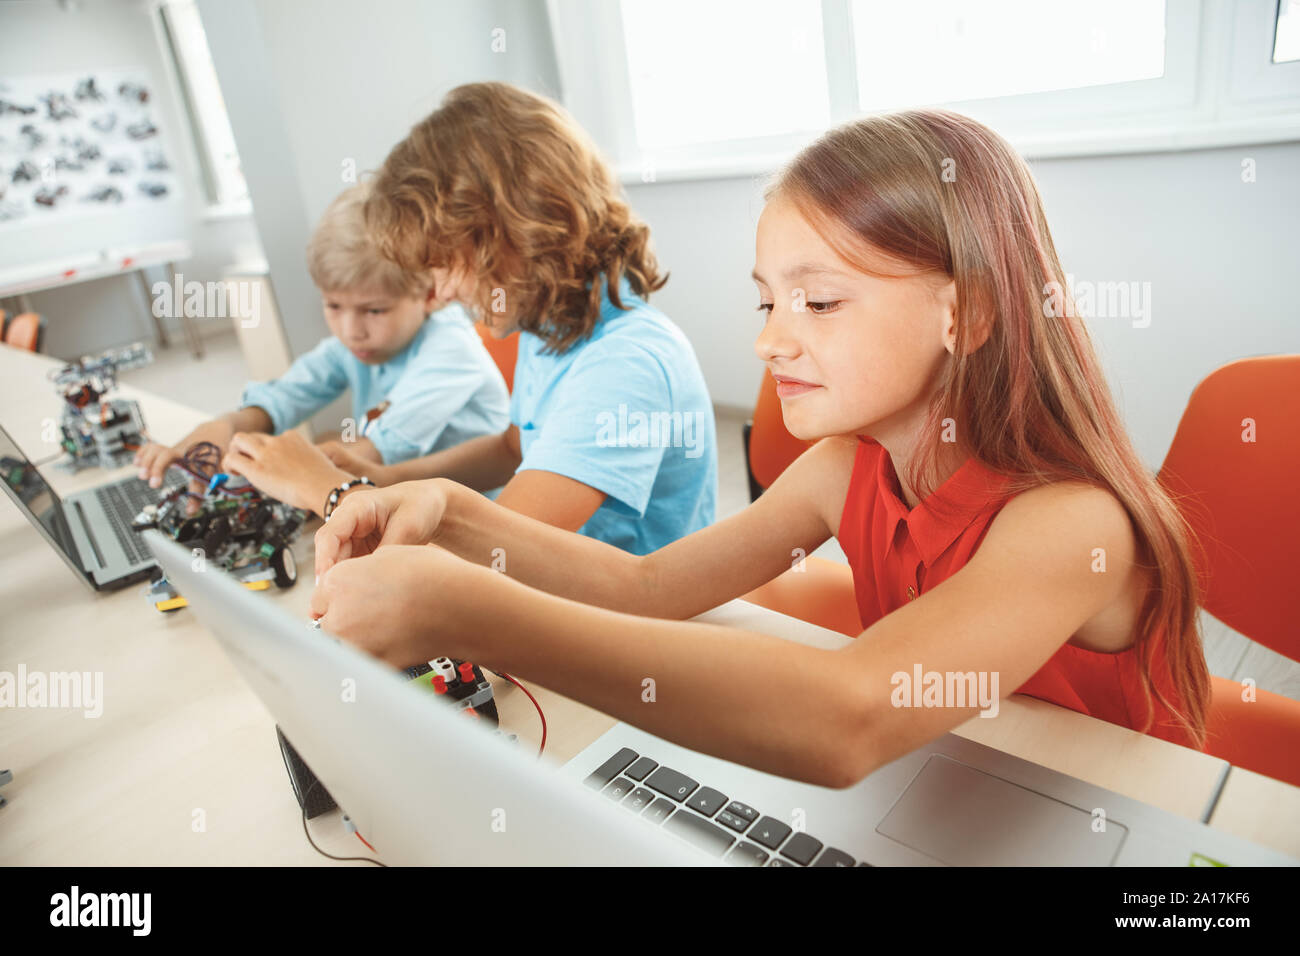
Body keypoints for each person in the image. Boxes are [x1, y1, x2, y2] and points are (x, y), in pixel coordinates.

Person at [310, 108, 1212, 786]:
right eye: (765, 302)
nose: (770, 342)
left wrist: (470, 612)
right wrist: (452, 515)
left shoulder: (1072, 525)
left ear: (967, 311)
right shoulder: (844, 469)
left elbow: (850, 715)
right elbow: (650, 587)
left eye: (817, 302)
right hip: (957, 777)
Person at [227, 82, 717, 554]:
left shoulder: (623, 363)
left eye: (444, 260)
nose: (439, 290)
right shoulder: (553, 327)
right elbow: (514, 448)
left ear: (515, 232)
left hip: (621, 625)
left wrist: (332, 491)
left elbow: (507, 553)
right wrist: (379, 480)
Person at [134, 182, 510, 516]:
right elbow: (286, 395)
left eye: (374, 310)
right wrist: (226, 426)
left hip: (473, 518)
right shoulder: (356, 346)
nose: (350, 331)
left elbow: (367, 456)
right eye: (333, 306)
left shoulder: (453, 354)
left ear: (431, 295)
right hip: (401, 501)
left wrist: (265, 462)